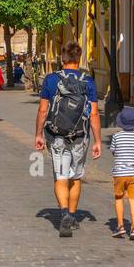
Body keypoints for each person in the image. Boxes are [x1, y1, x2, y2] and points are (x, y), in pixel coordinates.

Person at [35, 41, 101, 237]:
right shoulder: (88, 81)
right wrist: (98, 140)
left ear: (62, 58)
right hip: (80, 136)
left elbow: (43, 109)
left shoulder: (51, 80)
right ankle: (72, 215)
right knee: (76, 176)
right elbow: (94, 114)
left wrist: (38, 133)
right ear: (78, 58)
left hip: (56, 136)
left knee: (61, 175)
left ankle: (63, 212)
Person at [110, 106, 134, 240]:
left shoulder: (116, 136)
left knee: (119, 198)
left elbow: (114, 151)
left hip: (120, 173)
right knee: (133, 200)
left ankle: (120, 226)